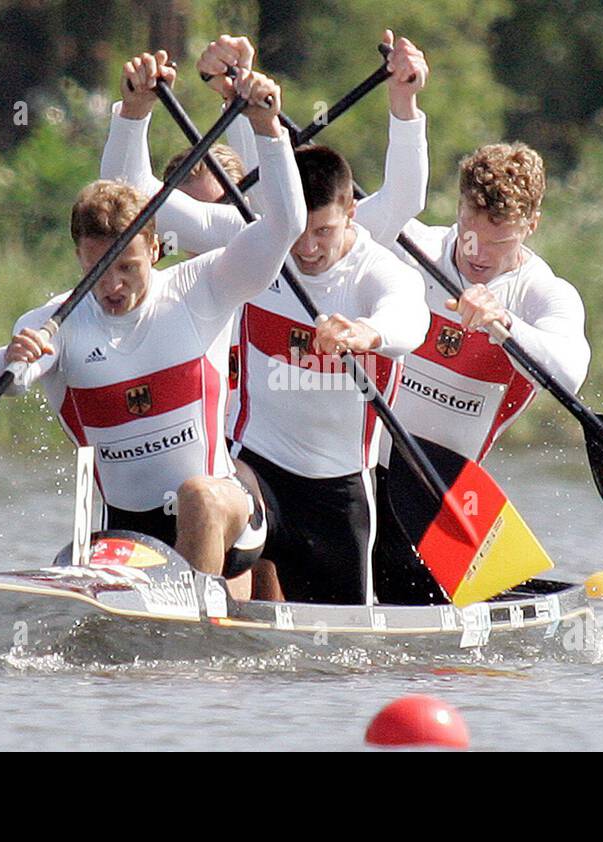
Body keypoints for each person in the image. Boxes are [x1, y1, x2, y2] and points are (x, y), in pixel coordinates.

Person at [101, 36, 430, 604]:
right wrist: (133, 115)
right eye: (298, 232)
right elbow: (138, 200)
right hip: (256, 472)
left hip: (338, 494)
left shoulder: (376, 270)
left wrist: (366, 332)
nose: (305, 250)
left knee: (343, 665)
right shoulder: (256, 241)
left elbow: (412, 318)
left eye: (324, 233)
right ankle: (186, 643)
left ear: (352, 212)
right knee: (203, 495)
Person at [0, 69, 306, 588]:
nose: (113, 285)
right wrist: (15, 359)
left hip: (226, 515)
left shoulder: (201, 286)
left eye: (128, 267)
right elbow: (9, 378)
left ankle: (188, 627)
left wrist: (269, 129)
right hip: (127, 536)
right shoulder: (56, 321)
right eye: (99, 267)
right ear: (79, 256)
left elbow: (284, 228)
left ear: (156, 250)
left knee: (197, 495)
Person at [374, 142, 591, 603]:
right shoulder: (411, 249)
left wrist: (505, 325)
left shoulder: (542, 294)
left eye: (499, 242)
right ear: (458, 208)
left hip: (437, 495)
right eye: (471, 234)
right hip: (359, 471)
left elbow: (568, 375)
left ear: (532, 226)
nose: (479, 255)